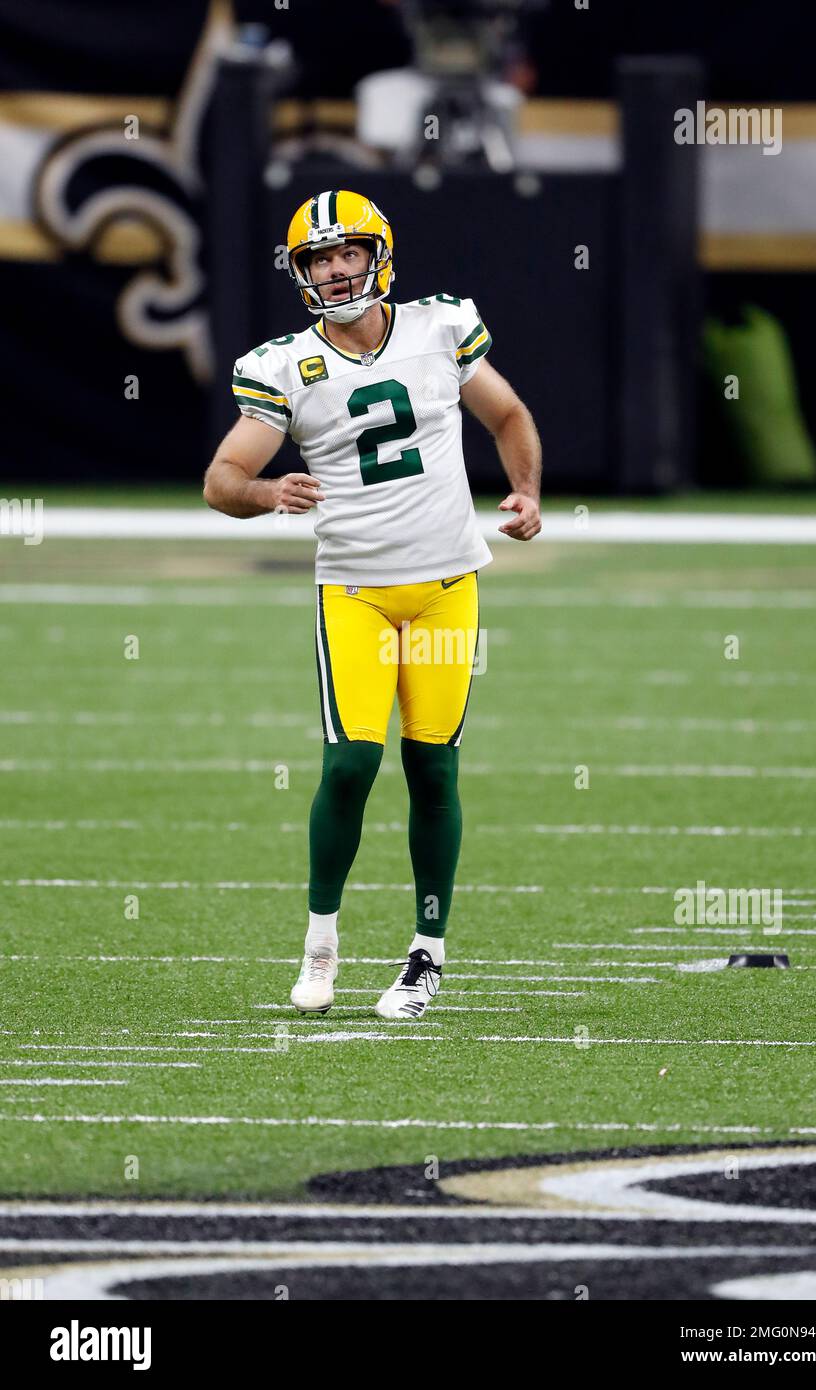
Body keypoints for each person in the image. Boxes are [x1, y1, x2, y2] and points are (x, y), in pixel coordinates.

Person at [203, 189, 541, 1020]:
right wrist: (266, 491)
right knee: (351, 762)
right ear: (303, 273)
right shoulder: (283, 364)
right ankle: (322, 942)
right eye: (320, 259)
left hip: (443, 588)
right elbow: (221, 480)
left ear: (378, 255)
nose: (336, 269)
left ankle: (426, 956)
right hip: (353, 590)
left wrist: (527, 492)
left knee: (432, 767)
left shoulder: (439, 326)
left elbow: (507, 413)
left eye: (348, 253)